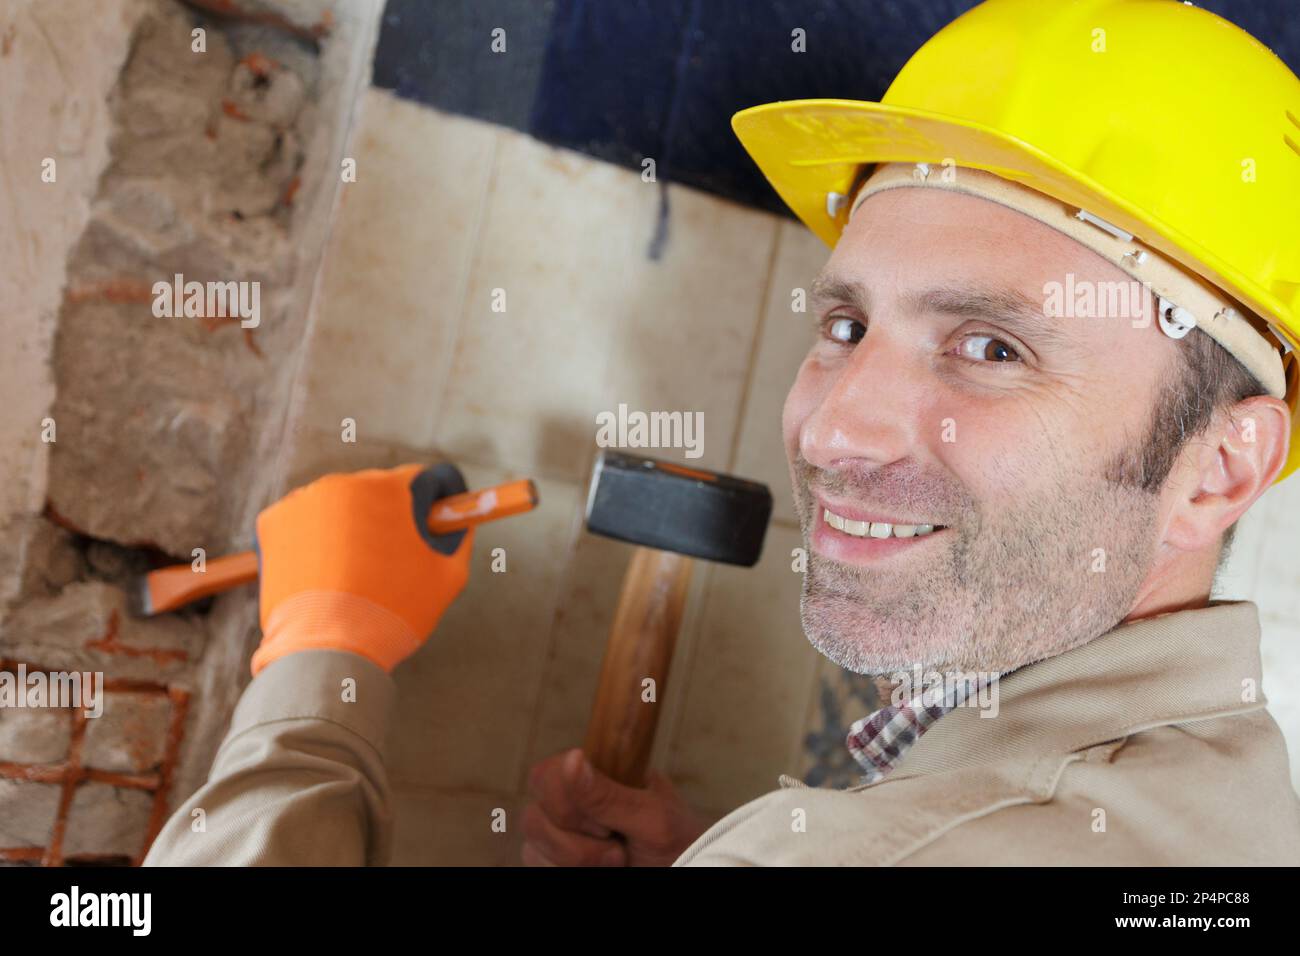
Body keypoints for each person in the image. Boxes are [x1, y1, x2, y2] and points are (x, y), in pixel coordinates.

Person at [145, 0, 1300, 866]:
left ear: (1219, 464)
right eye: (845, 322)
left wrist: (321, 663)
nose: (834, 424)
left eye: (991, 348)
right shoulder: (1229, 806)